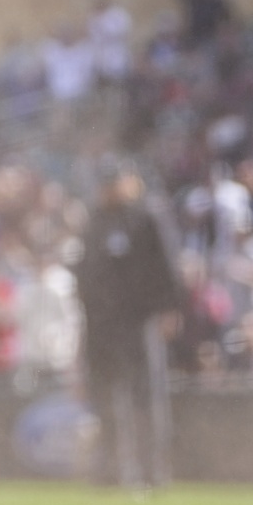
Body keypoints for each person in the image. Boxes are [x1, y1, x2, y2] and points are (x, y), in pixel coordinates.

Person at [74, 165, 183, 487]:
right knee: (106, 397)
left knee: (146, 397)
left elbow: (166, 264)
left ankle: (154, 472)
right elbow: (84, 271)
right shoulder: (95, 221)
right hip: (101, 324)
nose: (108, 190)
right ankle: (111, 471)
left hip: (139, 320)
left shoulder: (146, 217)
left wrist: (169, 309)